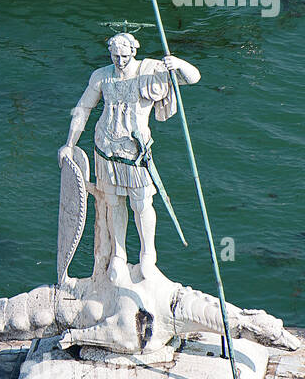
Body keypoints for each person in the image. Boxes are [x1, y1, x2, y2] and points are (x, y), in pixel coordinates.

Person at [58, 32, 200, 282]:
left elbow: (193, 78)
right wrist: (70, 143)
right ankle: (119, 255)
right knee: (113, 203)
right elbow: (83, 108)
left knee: (141, 203)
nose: (120, 61)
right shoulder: (101, 76)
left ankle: (148, 255)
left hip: (135, 152)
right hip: (105, 148)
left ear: (133, 52)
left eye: (124, 56)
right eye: (115, 56)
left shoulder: (149, 72)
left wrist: (178, 63)